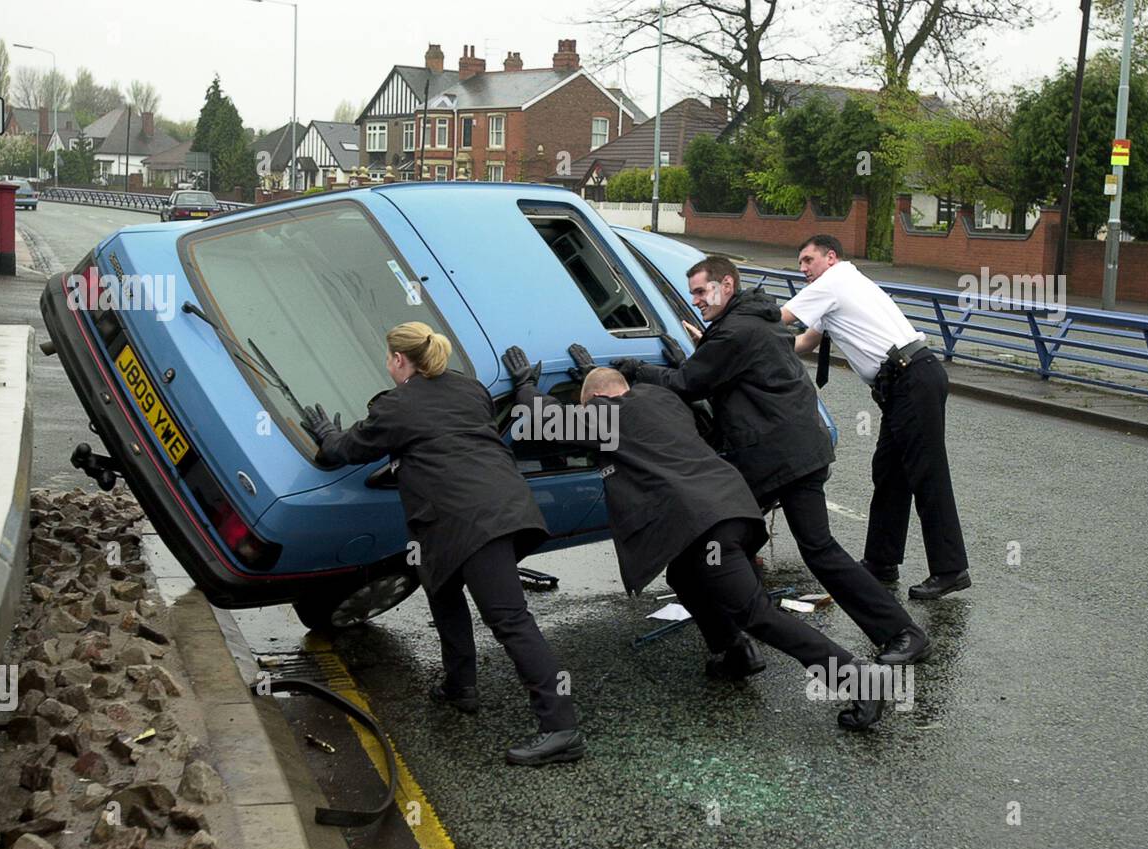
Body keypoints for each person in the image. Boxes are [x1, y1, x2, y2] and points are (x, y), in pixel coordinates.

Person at [505, 346, 890, 730]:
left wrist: (526, 386)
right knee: (685, 577)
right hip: (732, 509)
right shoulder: (663, 399)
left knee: (755, 613)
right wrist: (593, 371)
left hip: (704, 525)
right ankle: (734, 651)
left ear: (598, 401)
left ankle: (860, 679)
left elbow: (545, 418)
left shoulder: (605, 418)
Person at [611, 255, 931, 668]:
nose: (695, 300)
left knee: (798, 545)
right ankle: (744, 633)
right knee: (748, 539)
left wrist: (638, 370)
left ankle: (900, 633)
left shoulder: (736, 331)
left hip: (779, 456)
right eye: (691, 292)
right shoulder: (754, 319)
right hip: (790, 449)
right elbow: (724, 371)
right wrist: (701, 350)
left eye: (700, 291)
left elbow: (690, 383)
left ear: (726, 285)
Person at [299, 322, 584, 766]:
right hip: (492, 509)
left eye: (388, 358)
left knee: (510, 620)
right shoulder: (470, 390)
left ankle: (561, 728)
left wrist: (325, 435)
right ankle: (460, 686)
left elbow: (351, 448)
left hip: (471, 521)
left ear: (398, 360)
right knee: (443, 591)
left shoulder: (398, 406)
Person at [781, 235, 971, 601]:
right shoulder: (840, 285)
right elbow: (804, 341)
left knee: (927, 474)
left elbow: (782, 317)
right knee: (889, 474)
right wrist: (759, 348)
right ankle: (881, 562)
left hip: (912, 378)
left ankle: (950, 569)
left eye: (808, 260)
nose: (802, 269)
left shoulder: (833, 282)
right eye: (800, 263)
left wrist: (733, 331)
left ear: (830, 257)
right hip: (904, 383)